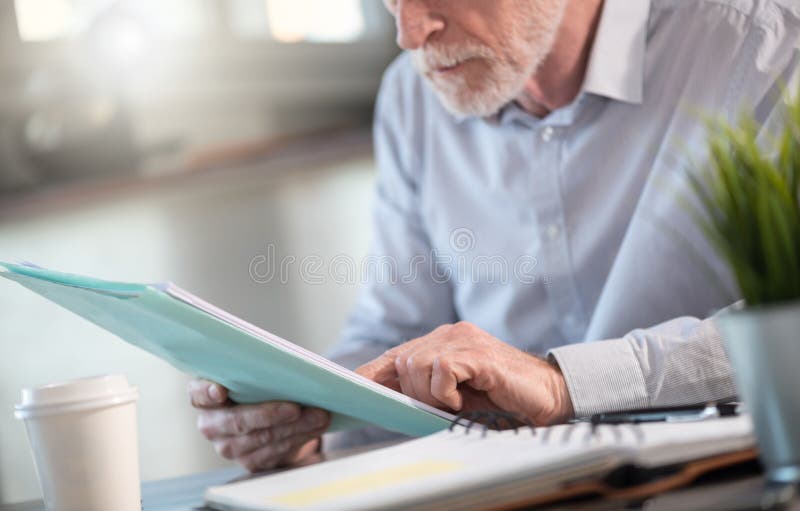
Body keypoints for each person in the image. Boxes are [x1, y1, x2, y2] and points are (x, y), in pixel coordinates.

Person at [189, 0, 800, 472]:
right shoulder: (411, 96)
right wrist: (310, 418)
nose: (410, 32)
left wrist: (565, 383)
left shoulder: (769, 49)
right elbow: (393, 335)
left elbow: (788, 327)